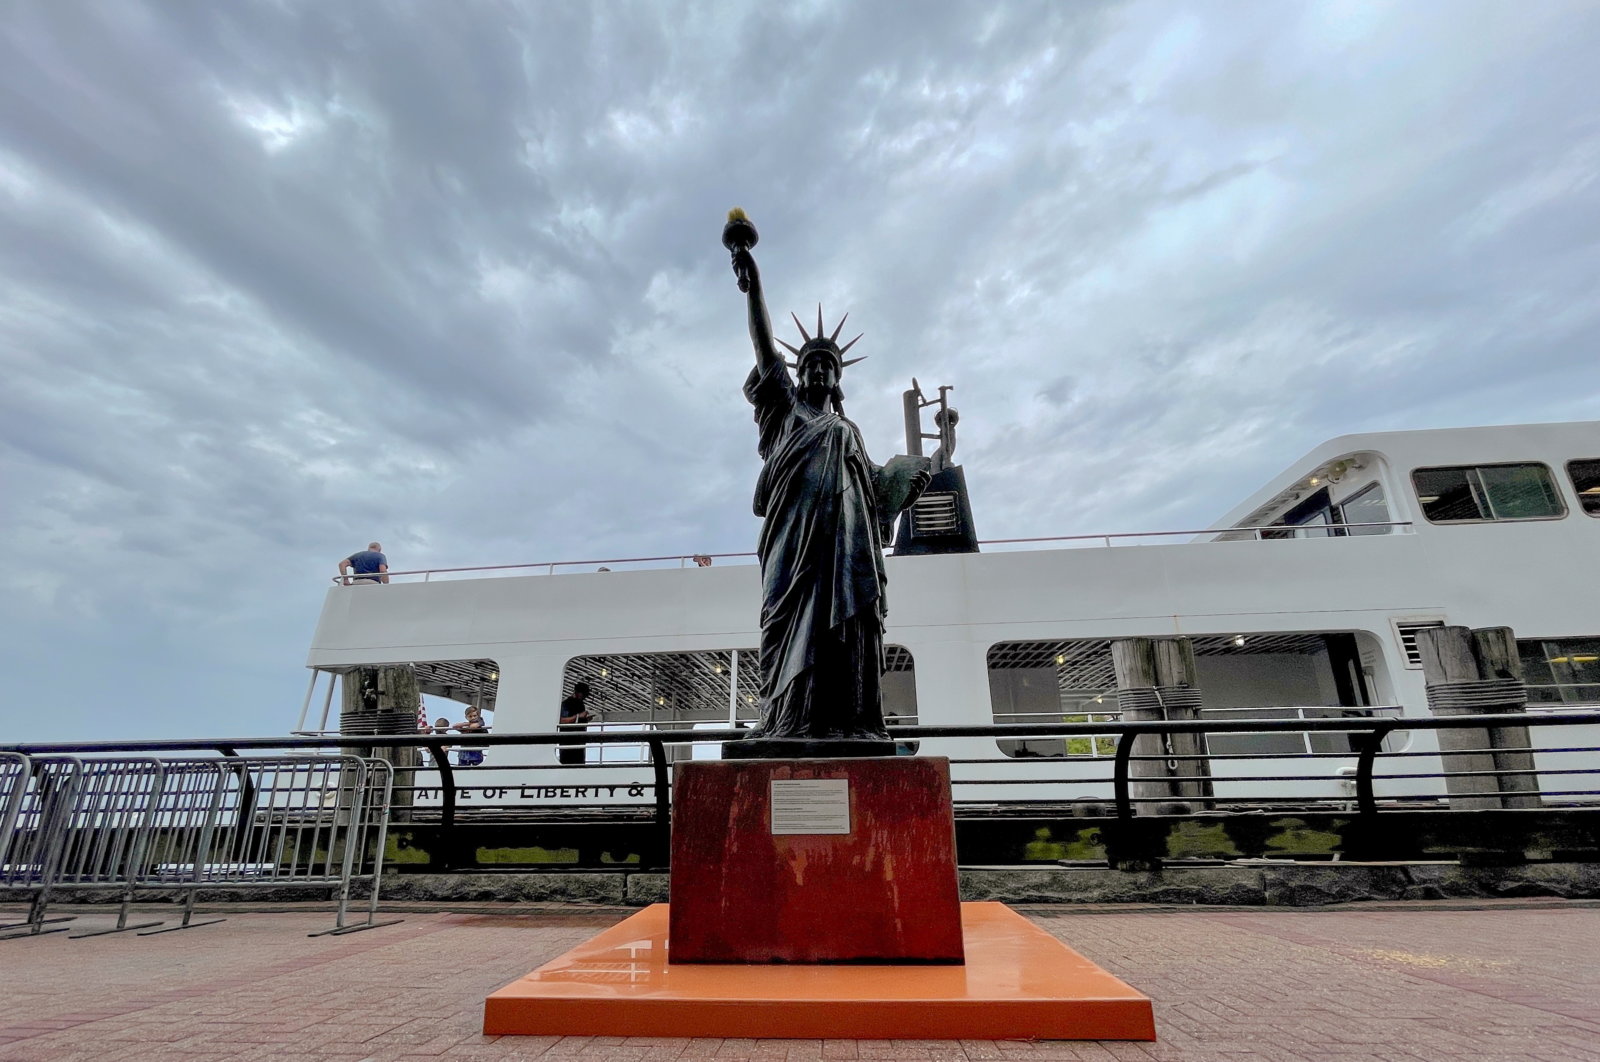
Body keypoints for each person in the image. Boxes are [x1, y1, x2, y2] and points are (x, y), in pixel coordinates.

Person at [728, 241, 929, 749]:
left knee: (842, 628)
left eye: (827, 365)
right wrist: (753, 283)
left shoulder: (848, 431)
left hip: (842, 549)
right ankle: (779, 715)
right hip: (790, 541)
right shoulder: (782, 412)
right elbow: (763, 346)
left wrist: (906, 483)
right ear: (798, 373)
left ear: (838, 376)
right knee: (778, 620)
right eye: (810, 364)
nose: (817, 370)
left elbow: (874, 492)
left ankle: (842, 719)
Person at [558, 682, 593, 765]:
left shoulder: (580, 704)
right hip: (568, 742)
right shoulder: (566, 704)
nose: (583, 697)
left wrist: (584, 719)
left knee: (578, 763)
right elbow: (562, 721)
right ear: (577, 692)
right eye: (583, 695)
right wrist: (578, 716)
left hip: (578, 742)